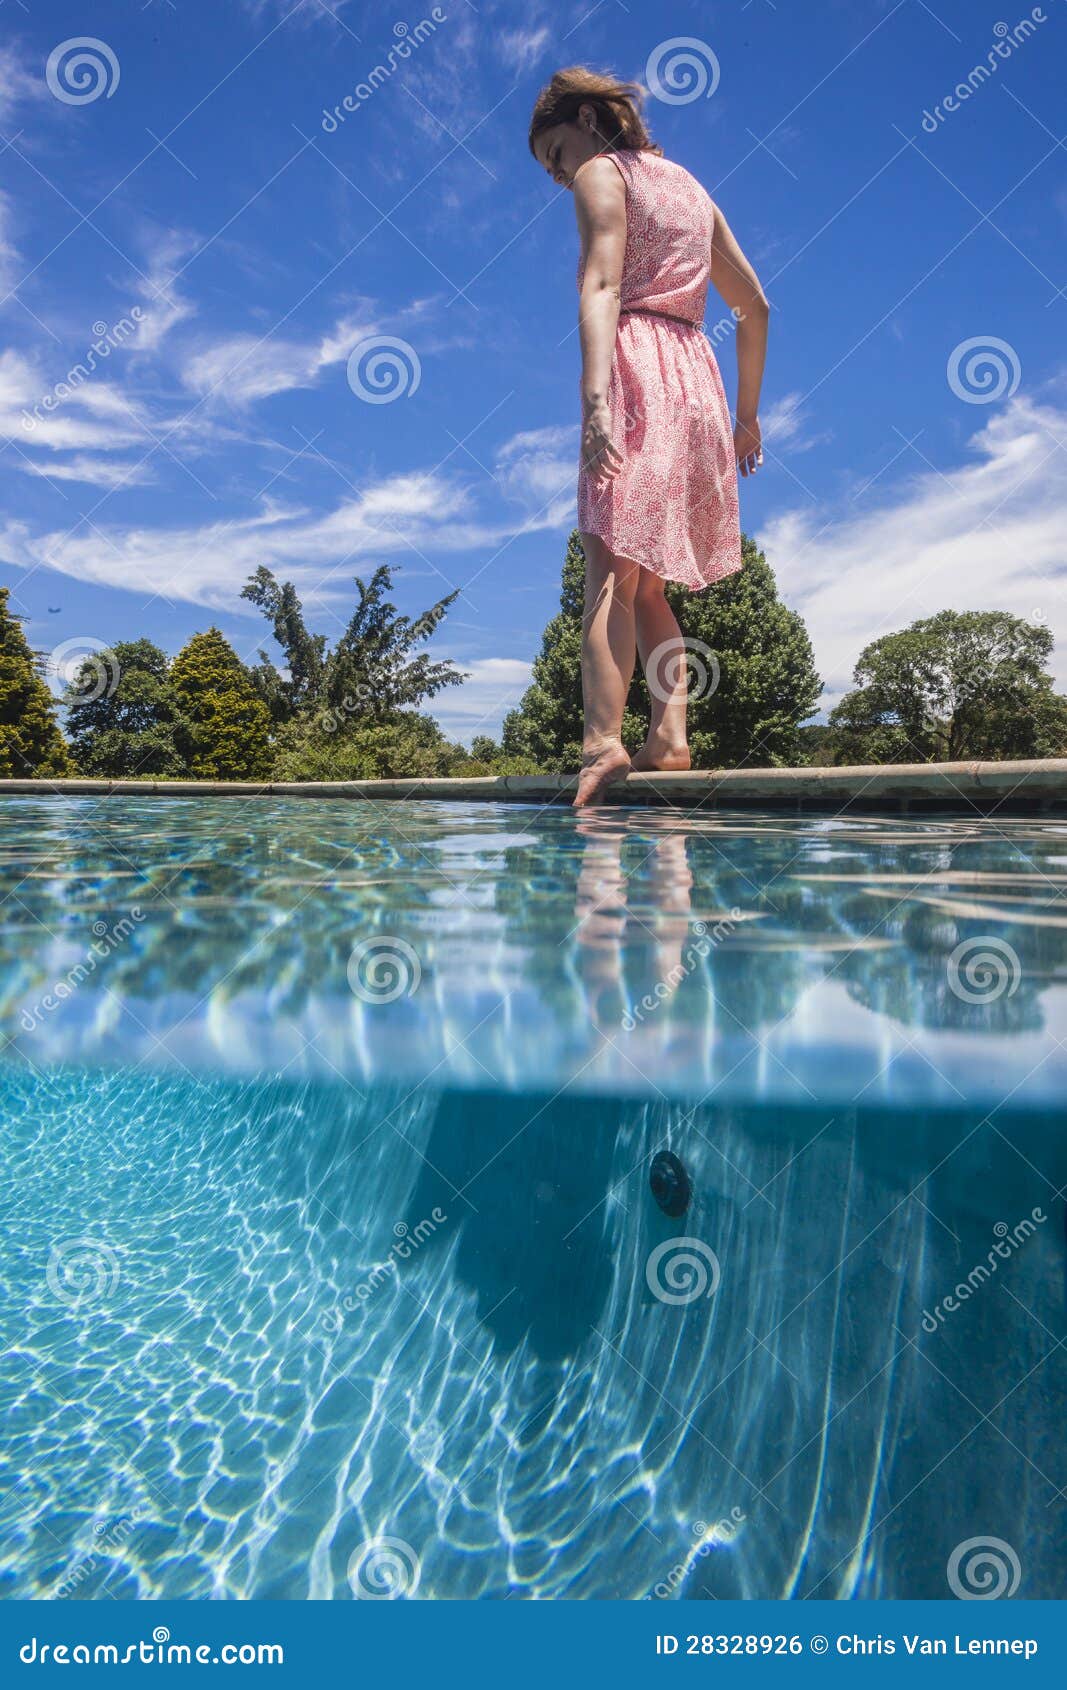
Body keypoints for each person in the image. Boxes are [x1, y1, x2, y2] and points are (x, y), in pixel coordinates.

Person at [529, 67, 769, 807]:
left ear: (587, 121)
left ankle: (602, 742)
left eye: (556, 155)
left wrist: (596, 396)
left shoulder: (603, 174)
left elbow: (600, 285)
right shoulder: (691, 189)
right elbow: (754, 307)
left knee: (608, 566)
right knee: (650, 585)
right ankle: (668, 736)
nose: (560, 175)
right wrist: (747, 417)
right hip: (697, 378)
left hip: (636, 363)